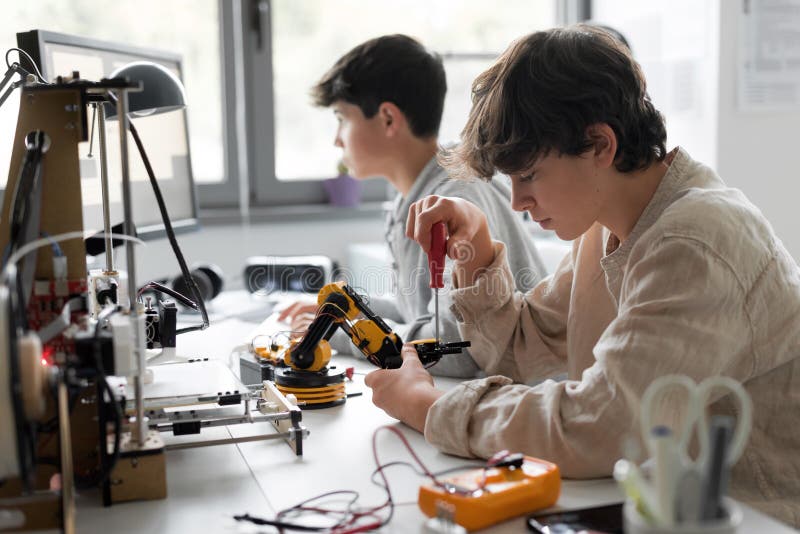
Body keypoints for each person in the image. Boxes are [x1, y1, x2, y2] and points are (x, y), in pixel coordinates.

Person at [364, 25, 800, 526]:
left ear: (599, 145)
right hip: (660, 506)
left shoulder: (693, 242)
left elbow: (597, 428)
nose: (518, 201)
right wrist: (477, 251)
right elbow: (522, 349)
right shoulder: (612, 225)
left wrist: (427, 407)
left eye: (528, 175)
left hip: (757, 519)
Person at [279, 34, 546, 378]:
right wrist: (338, 312)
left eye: (342, 118)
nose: (336, 139)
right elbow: (419, 310)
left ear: (388, 118)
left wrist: (343, 335)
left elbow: (457, 349)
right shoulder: (417, 193)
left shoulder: (454, 199)